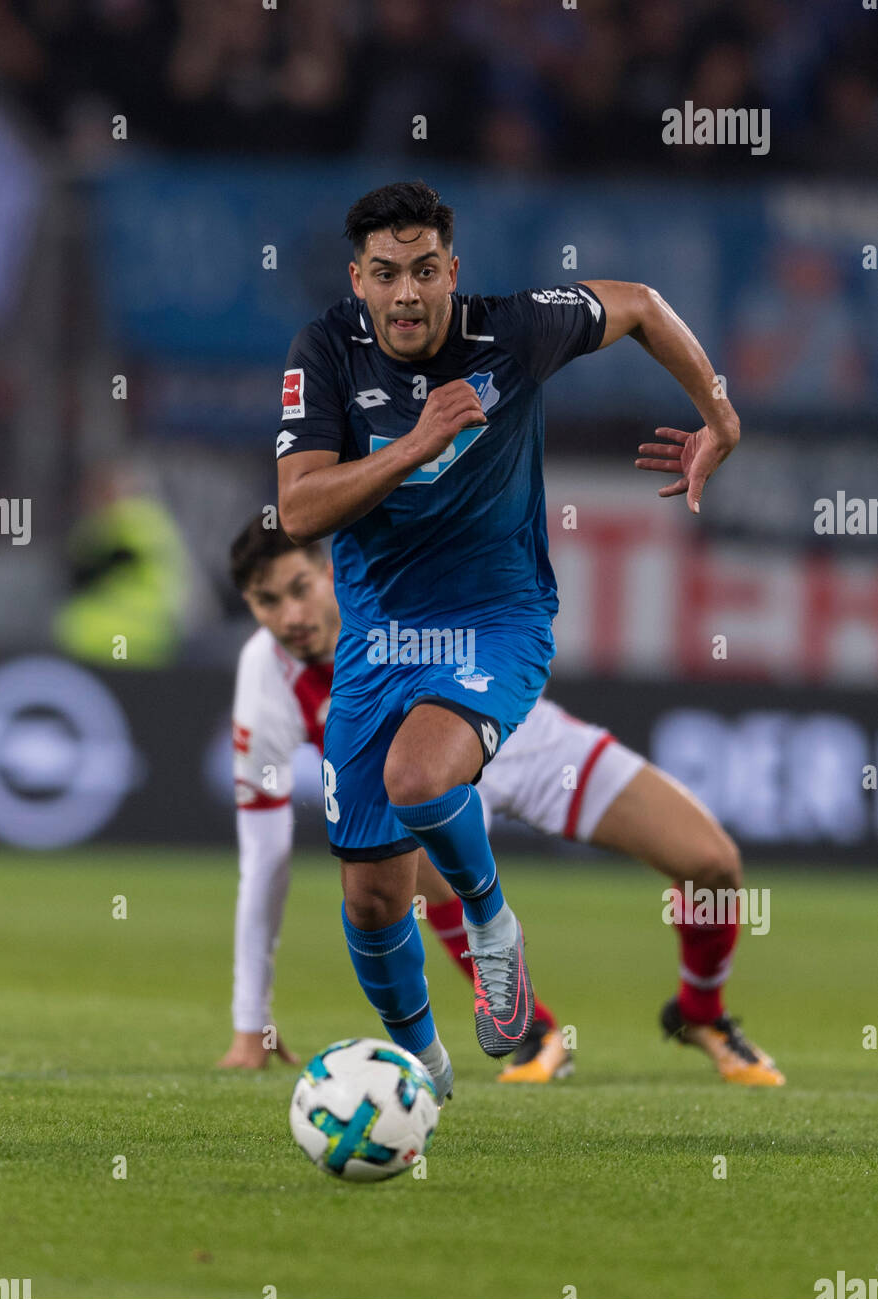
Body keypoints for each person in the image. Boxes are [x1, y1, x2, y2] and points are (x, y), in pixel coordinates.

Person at [275, 179, 742, 1103]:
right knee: (371, 903)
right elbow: (298, 508)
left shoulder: (515, 330)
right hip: (376, 643)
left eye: (421, 271)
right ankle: (428, 1083)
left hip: (497, 621)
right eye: (383, 275)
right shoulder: (325, 348)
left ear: (452, 269)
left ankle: (493, 934)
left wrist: (719, 418)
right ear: (357, 280)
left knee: (418, 779)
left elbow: (642, 305)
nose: (405, 294)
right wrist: (415, 441)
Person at [220, 520, 783, 1089]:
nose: (290, 616)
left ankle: (702, 1014)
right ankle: (534, 1035)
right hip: (422, 784)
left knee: (712, 865)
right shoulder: (266, 675)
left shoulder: (397, 585)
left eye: (299, 588)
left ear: (331, 572)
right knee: (418, 853)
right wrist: (250, 1021)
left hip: (524, 744)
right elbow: (264, 857)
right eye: (267, 601)